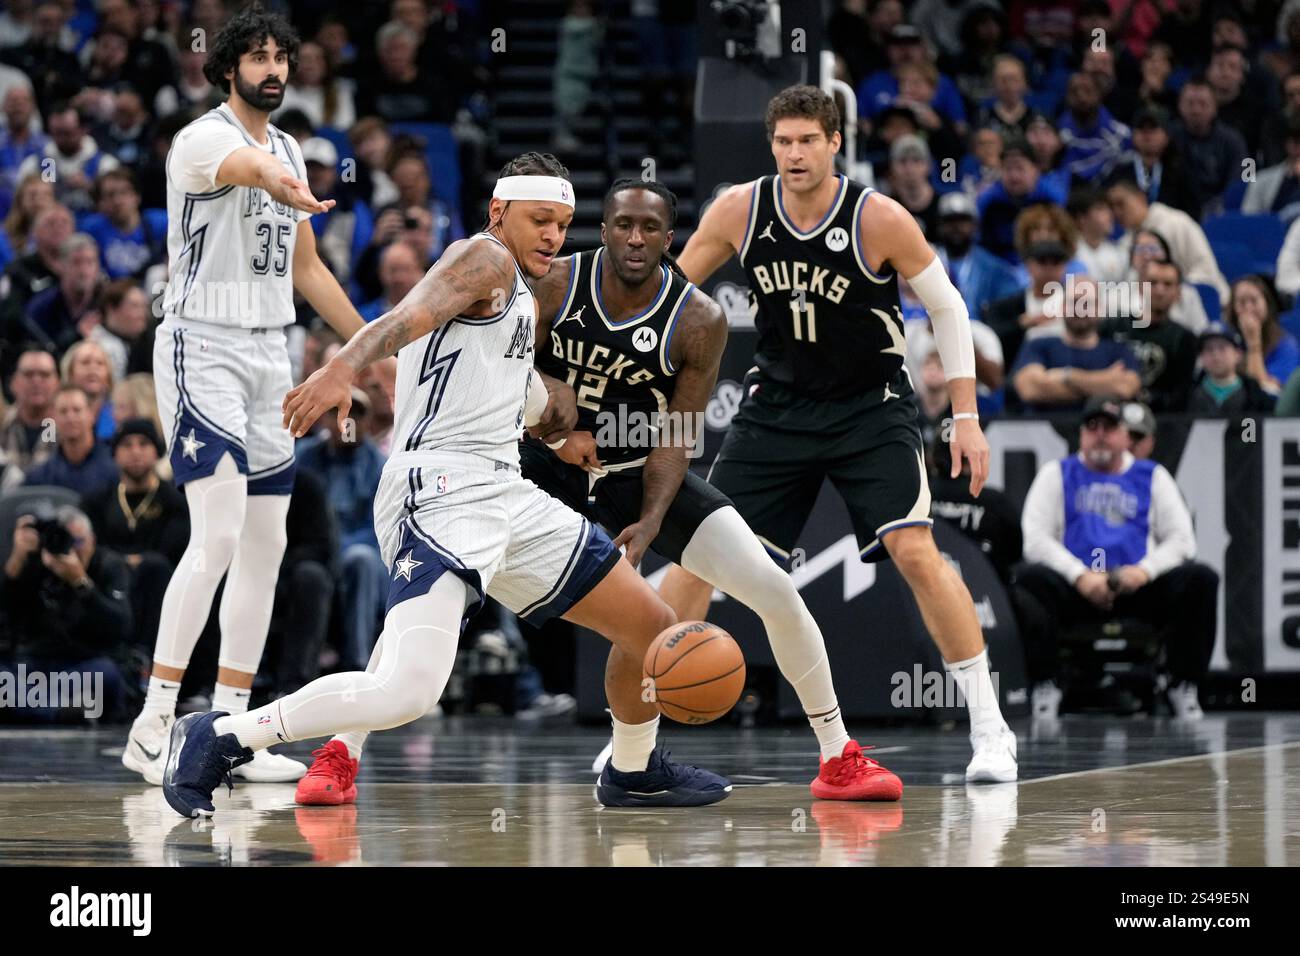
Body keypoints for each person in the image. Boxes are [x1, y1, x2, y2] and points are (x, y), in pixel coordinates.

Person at [161, 153, 732, 819]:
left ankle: (632, 768)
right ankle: (222, 734)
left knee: (656, 629)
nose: (553, 234)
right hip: (438, 490)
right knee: (409, 691)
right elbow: (409, 316)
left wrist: (559, 424)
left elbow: (511, 391)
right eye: (540, 220)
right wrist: (342, 367)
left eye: (563, 223)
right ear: (499, 213)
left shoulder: (518, 293)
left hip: (506, 494)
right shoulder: (483, 257)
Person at [656, 85, 1017, 783]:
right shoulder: (739, 210)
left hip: (869, 406)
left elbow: (946, 308)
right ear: (772, 146)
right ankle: (636, 731)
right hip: (780, 405)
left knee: (915, 548)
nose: (794, 153)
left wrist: (966, 418)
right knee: (699, 556)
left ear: (833, 144)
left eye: (806, 141)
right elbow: (673, 293)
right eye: (783, 141)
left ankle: (990, 727)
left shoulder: (877, 218)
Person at [121, 6, 389, 789]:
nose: (273, 68)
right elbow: (249, 172)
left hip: (273, 351)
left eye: (282, 56)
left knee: (267, 545)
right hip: (200, 342)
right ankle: (155, 721)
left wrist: (376, 344)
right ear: (227, 66)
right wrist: (281, 181)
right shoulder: (204, 139)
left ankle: (228, 732)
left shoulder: (292, 148)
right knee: (221, 531)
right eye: (257, 56)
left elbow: (307, 271)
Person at [1016, 397, 1216, 721]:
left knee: (1200, 579)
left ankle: (1182, 683)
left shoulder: (1152, 475)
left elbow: (1183, 540)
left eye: (1109, 428)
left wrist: (1143, 571)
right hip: (1077, 591)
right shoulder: (1057, 474)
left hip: (1135, 589)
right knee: (1030, 579)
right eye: (1092, 427)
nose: (1100, 435)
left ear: (1126, 436)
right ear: (1081, 434)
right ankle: (1046, 683)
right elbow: (1035, 539)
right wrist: (1079, 575)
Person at [2, 505, 130, 722]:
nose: (72, 549)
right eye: (66, 541)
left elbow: (120, 627)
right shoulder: (36, 561)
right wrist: (17, 559)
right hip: (34, 667)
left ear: (93, 540)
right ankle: (60, 711)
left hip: (82, 665)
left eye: (78, 542)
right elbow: (7, 616)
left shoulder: (109, 565)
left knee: (107, 674)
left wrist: (80, 582)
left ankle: (33, 706)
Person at [294, 385, 388, 672]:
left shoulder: (379, 465)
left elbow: (379, 530)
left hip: (360, 553)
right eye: (339, 414)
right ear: (325, 420)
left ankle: (358, 663)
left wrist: (336, 550)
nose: (347, 423)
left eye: (355, 415)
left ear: (368, 421)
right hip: (311, 549)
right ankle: (284, 673)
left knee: (360, 560)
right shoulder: (305, 457)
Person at [81, 418, 188, 657]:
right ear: (115, 453)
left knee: (155, 567)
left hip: (160, 587)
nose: (135, 451)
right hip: (107, 582)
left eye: (143, 443)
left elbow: (171, 552)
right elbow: (91, 548)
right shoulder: (97, 500)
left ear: (156, 451)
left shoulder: (176, 501)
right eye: (127, 445)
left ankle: (146, 659)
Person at [1010, 275, 1142, 414]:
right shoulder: (1038, 345)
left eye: (1087, 304)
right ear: (1062, 307)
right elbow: (1030, 388)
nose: (1080, 310)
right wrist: (1105, 382)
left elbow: (1126, 388)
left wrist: (1066, 376)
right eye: (1075, 302)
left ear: (1100, 308)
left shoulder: (1118, 351)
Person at [1105, 171, 1228, 305]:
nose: (1117, 212)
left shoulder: (1177, 223)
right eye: (1112, 207)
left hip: (1200, 303)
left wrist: (1172, 289)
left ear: (1140, 198)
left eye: (1120, 203)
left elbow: (1205, 269)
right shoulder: (1125, 242)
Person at [1102, 259, 1199, 412]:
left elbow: (1180, 396)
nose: (1160, 290)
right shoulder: (1112, 326)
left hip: (1159, 422)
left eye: (1167, 284)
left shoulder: (1185, 339)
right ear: (1141, 287)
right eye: (1153, 283)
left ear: (1178, 293)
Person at [22, 383, 116, 497]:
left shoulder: (115, 467)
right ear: (53, 418)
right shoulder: (40, 477)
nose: (70, 418)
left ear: (91, 414)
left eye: (77, 410)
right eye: (63, 411)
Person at [1226, 274, 1300, 394]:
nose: (1248, 308)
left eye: (1254, 301)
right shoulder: (1225, 339)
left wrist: (1253, 343)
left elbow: (1262, 391)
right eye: (1242, 302)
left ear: (1267, 304)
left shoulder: (1285, 345)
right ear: (1233, 308)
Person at [1187, 322, 1276, 416]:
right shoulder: (1187, 395)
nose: (1216, 355)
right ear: (1201, 356)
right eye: (1209, 349)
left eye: (1222, 348)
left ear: (1238, 354)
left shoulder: (1256, 396)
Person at [0, 343, 56, 487]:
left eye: (44, 375)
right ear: (13, 383)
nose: (36, 381)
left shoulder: (70, 428)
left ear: (57, 383)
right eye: (28, 374)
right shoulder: (1, 424)